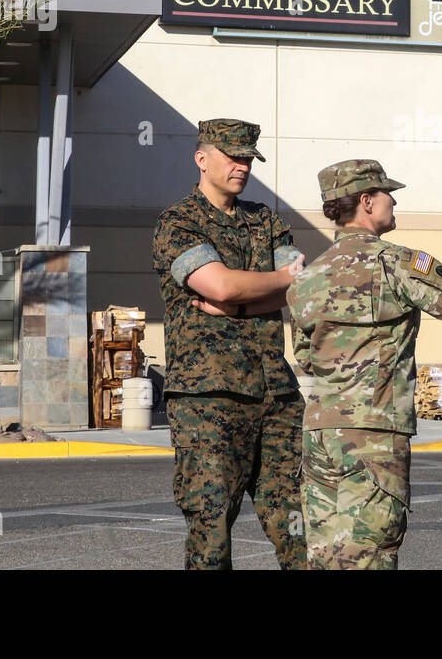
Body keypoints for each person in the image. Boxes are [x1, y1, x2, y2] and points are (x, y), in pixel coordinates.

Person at [286, 159, 442, 569]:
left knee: (326, 557)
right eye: (389, 194)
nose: (394, 202)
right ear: (367, 202)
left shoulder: (309, 277)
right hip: (373, 438)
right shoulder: (397, 264)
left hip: (319, 436)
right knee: (369, 554)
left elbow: (307, 358)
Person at [152, 118, 307, 570]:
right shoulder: (178, 222)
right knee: (211, 523)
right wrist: (273, 285)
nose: (242, 166)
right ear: (202, 159)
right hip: (208, 397)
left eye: (248, 159)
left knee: (297, 519)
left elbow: (299, 291)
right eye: (233, 157)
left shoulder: (267, 221)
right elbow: (219, 285)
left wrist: (242, 304)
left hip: (276, 395)